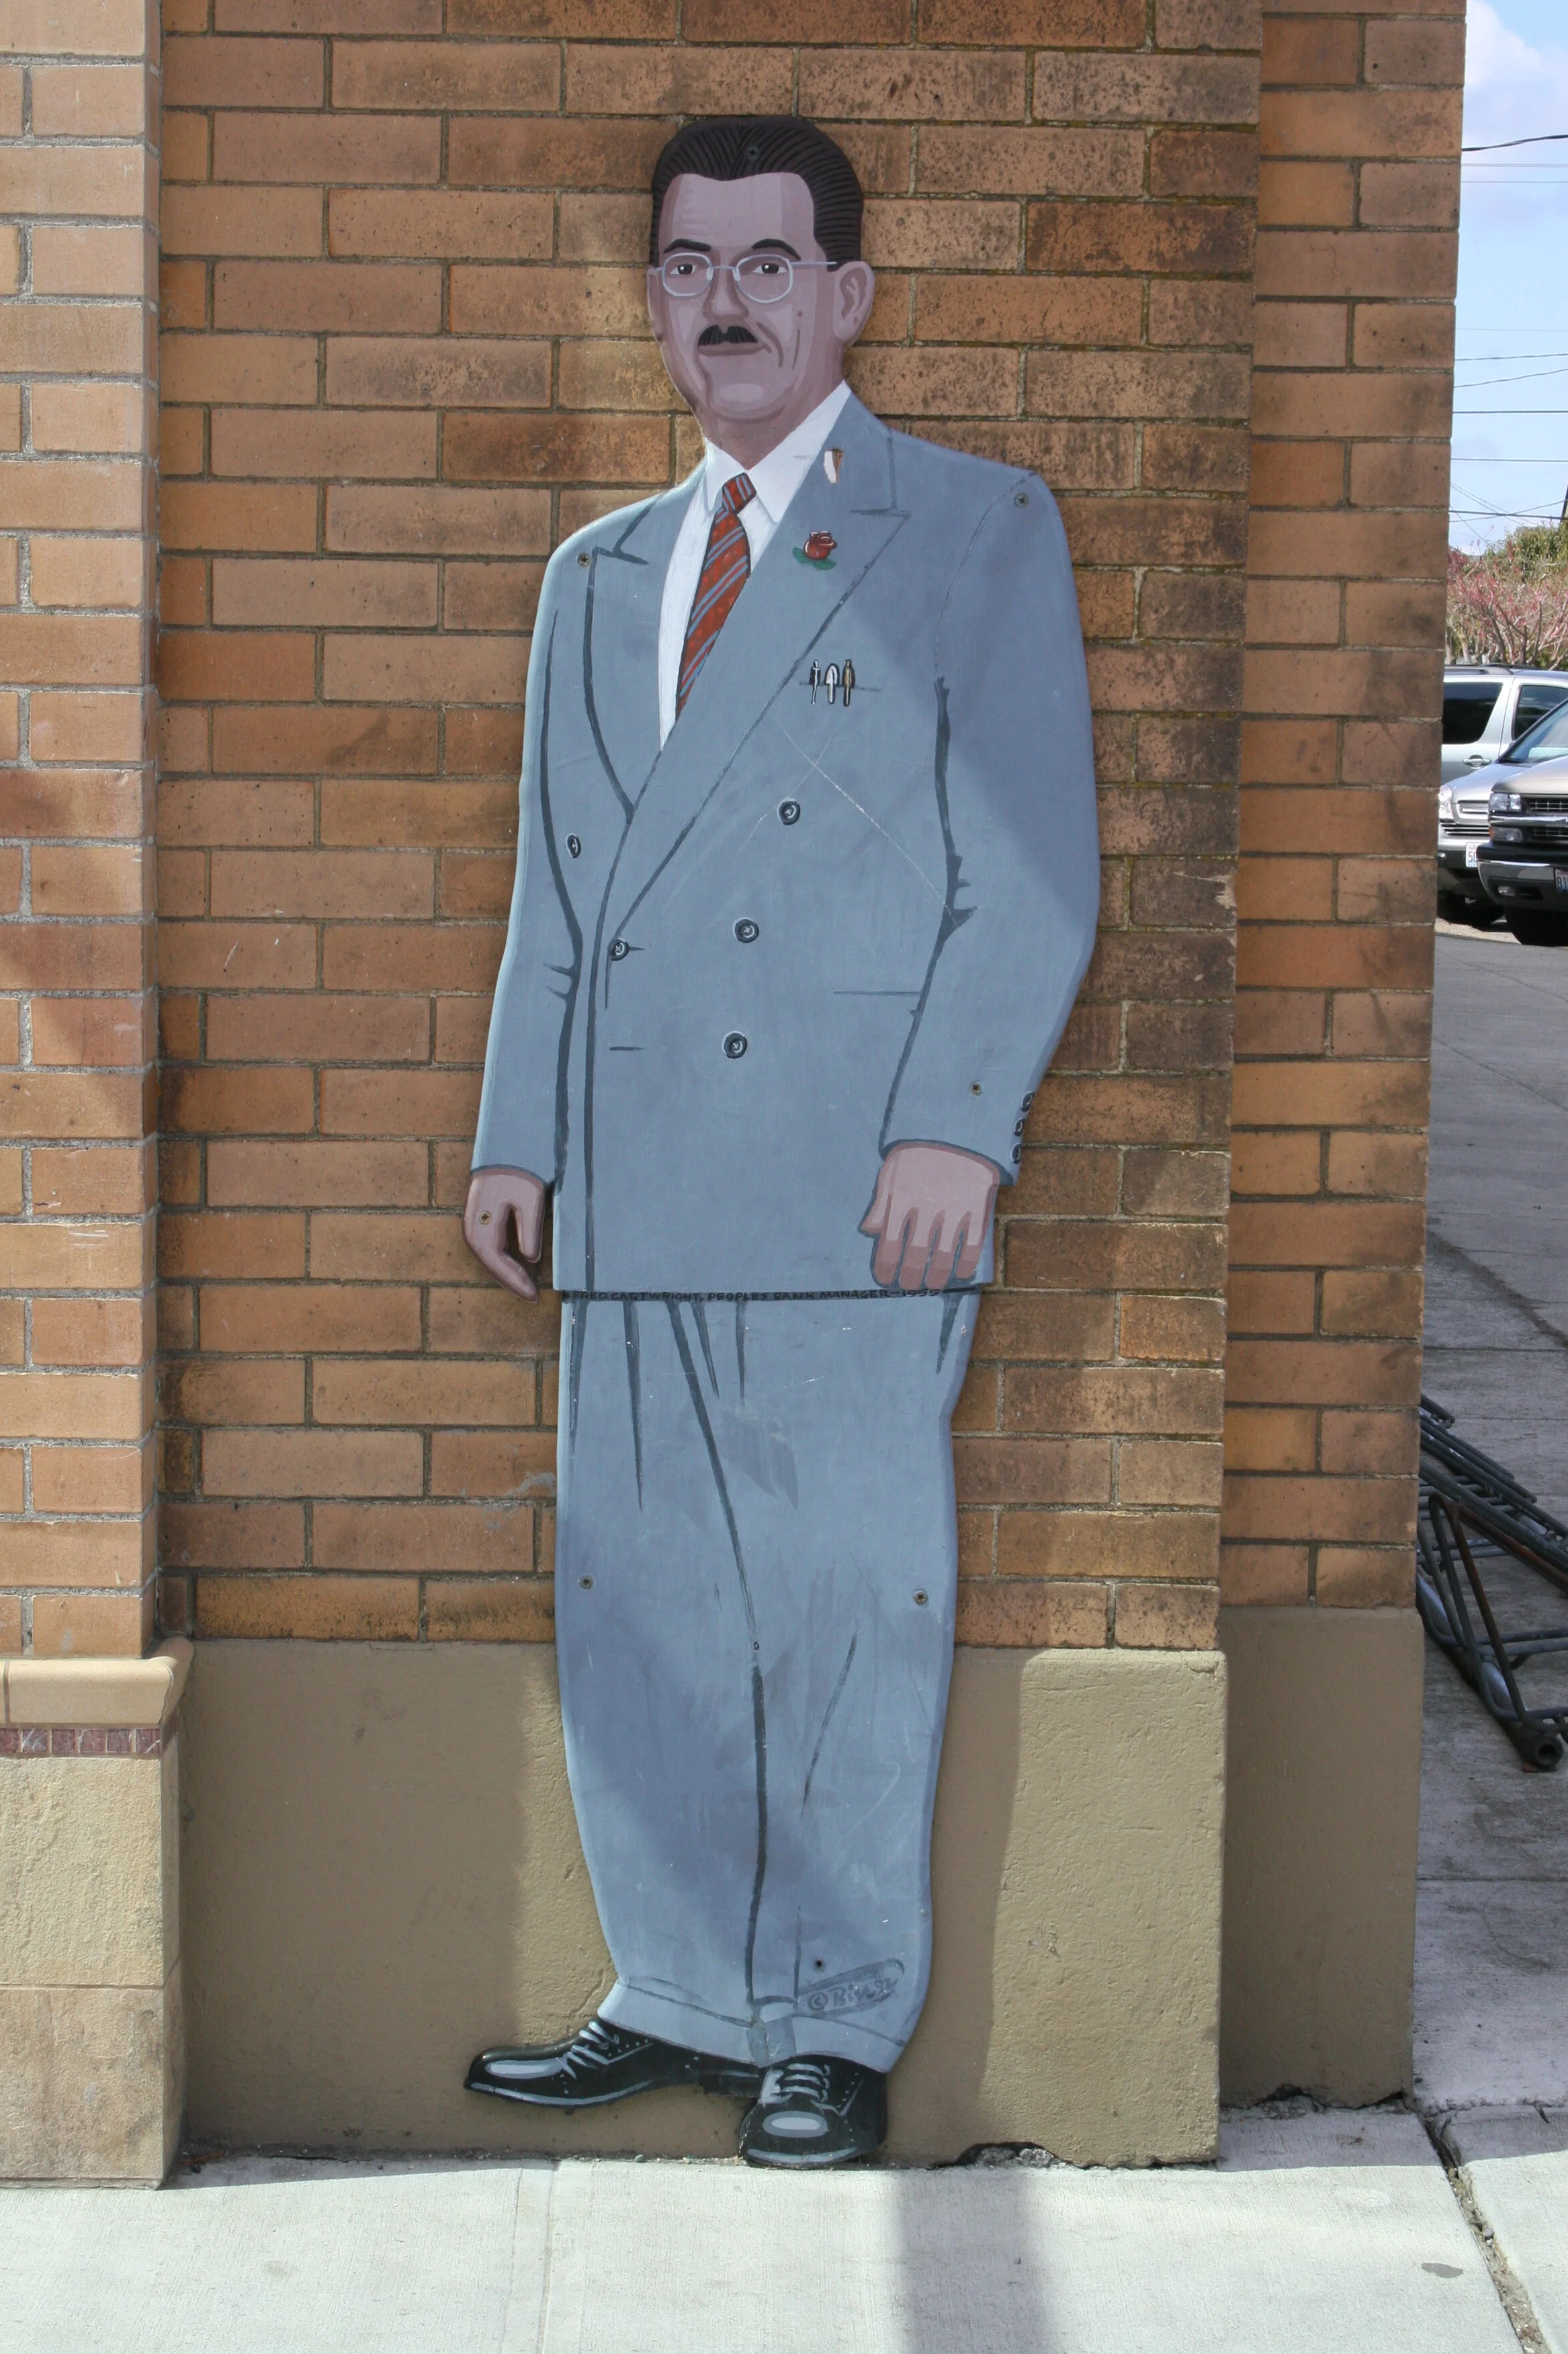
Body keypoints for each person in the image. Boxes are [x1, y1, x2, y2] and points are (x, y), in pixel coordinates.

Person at [462, 116, 1099, 2167]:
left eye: (764, 258)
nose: (723, 297)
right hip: (634, 1177)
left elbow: (1030, 872)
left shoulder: (975, 528)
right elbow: (559, 892)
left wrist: (957, 1128)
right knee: (631, 1599)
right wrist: (518, 1138)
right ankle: (673, 1988)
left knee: (843, 1604)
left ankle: (827, 2019)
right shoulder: (595, 579)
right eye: (686, 263)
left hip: (855, 1186)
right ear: (654, 296)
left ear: (848, 293)